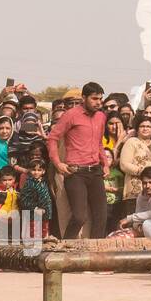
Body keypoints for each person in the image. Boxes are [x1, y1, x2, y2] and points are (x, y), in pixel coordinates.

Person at [48, 81, 107, 239]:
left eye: (100, 99)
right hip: (75, 172)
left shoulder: (101, 116)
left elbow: (99, 143)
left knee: (101, 215)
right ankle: (67, 246)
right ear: (84, 97)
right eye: (94, 99)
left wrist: (105, 164)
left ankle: (95, 255)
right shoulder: (71, 115)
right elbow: (52, 138)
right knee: (79, 217)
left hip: (95, 171)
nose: (98, 102)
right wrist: (57, 163)